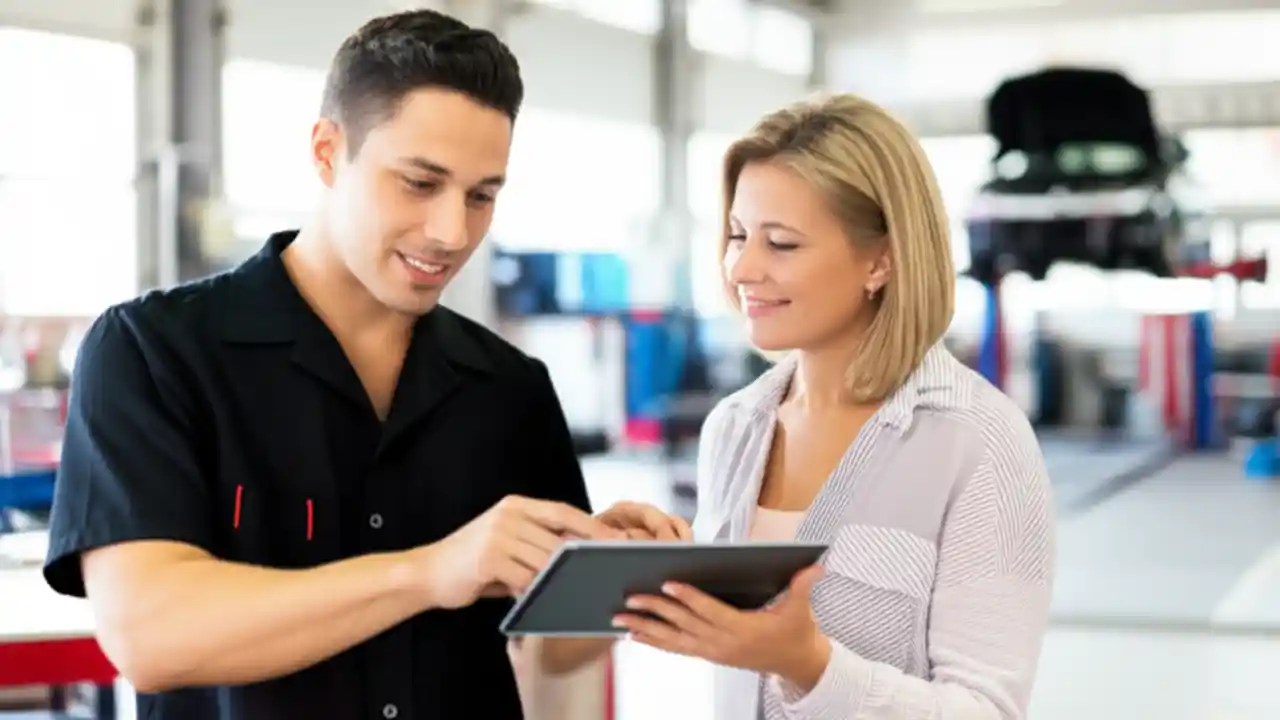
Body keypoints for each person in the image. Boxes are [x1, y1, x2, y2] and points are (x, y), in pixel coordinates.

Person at [42, 9, 684, 720]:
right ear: (326, 152)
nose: (452, 232)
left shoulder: (508, 388)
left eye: (482, 195)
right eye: (419, 182)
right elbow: (152, 638)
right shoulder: (153, 354)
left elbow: (553, 649)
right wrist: (432, 570)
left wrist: (612, 579)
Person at [612, 94, 1055, 719]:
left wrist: (811, 666)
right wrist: (645, 572)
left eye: (782, 244)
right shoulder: (734, 429)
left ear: (881, 260)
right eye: (738, 235)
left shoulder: (980, 442)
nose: (742, 267)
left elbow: (987, 711)